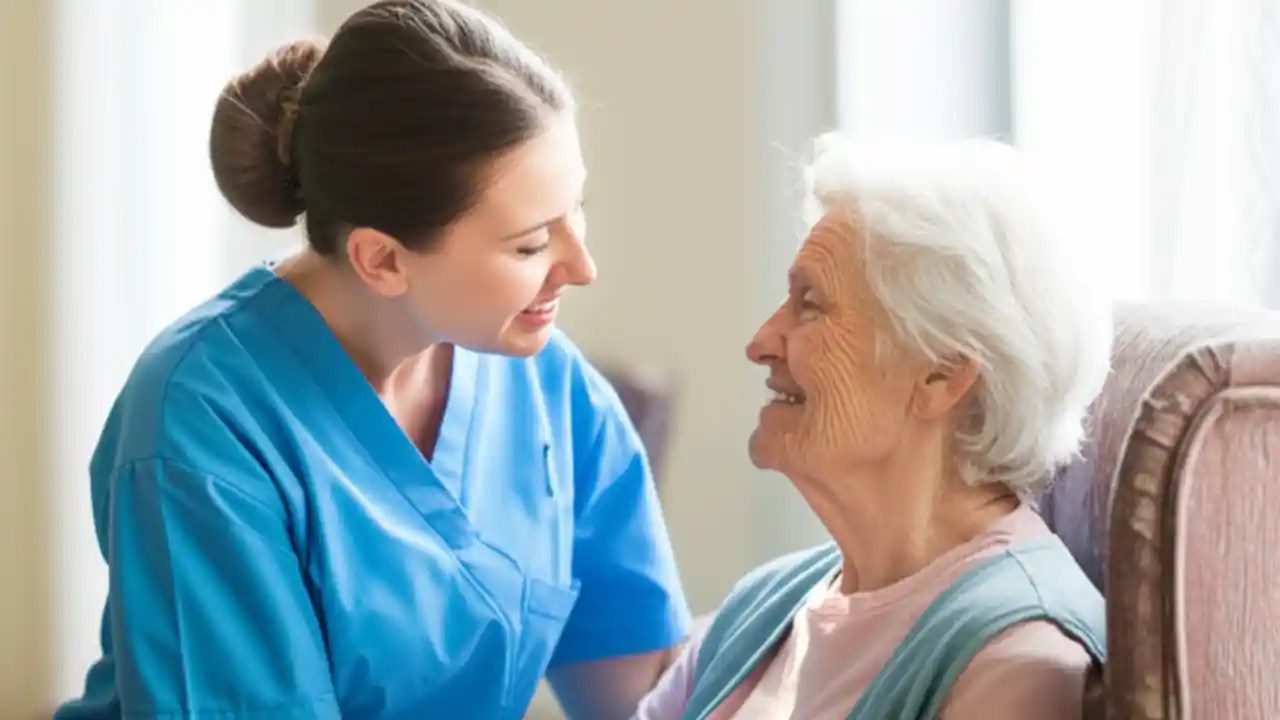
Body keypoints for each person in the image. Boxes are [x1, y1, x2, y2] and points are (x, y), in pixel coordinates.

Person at [53, 2, 690, 718]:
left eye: (578, 210)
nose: (582, 266)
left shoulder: (545, 384)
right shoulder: (201, 421)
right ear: (382, 260)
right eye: (531, 244)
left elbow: (644, 699)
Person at [633, 136, 1112, 719]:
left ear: (941, 373)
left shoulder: (1020, 658)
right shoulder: (761, 608)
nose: (761, 342)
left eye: (810, 304)